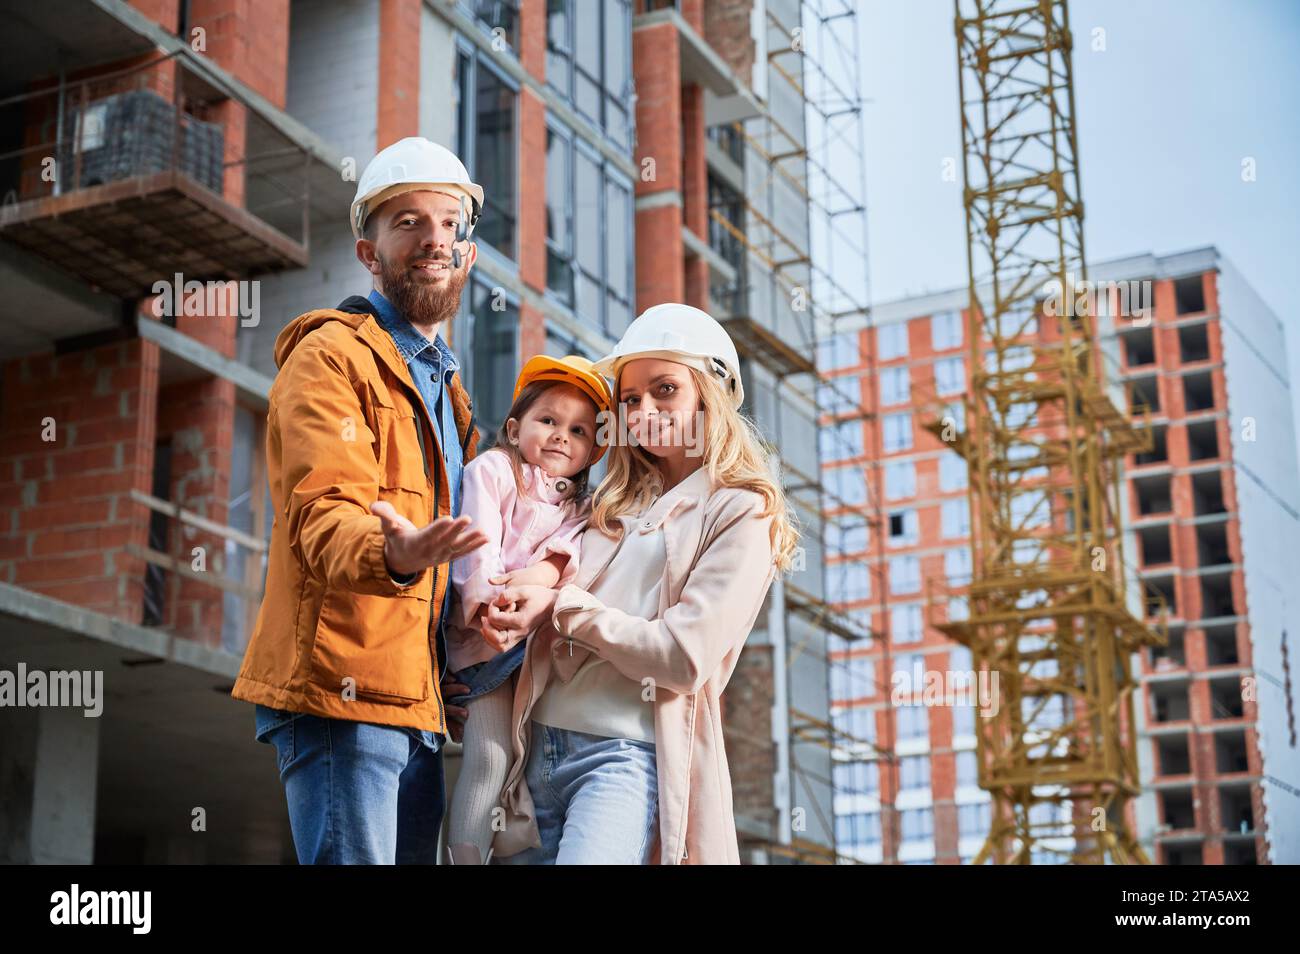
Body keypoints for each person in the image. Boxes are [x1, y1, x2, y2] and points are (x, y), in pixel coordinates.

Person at [230, 137, 488, 864]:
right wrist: (395, 552)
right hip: (340, 698)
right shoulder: (331, 356)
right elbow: (323, 513)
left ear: (466, 254)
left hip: (417, 707)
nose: (433, 238)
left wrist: (455, 662)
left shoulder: (454, 400)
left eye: (447, 223)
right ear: (368, 252)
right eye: (407, 222)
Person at [479, 303, 801, 864]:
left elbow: (681, 656)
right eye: (629, 399)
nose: (644, 410)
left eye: (665, 389)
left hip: (621, 760)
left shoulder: (741, 513)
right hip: (532, 753)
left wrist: (559, 606)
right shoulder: (609, 503)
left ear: (709, 392)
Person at [443, 355, 612, 865]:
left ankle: (506, 852)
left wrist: (538, 578)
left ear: (591, 453)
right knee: (490, 758)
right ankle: (463, 857)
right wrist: (491, 607)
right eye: (549, 421)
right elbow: (477, 543)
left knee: (529, 766)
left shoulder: (581, 507)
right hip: (485, 642)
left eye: (579, 430)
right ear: (515, 429)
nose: (562, 435)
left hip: (534, 654)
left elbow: (568, 558)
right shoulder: (493, 471)